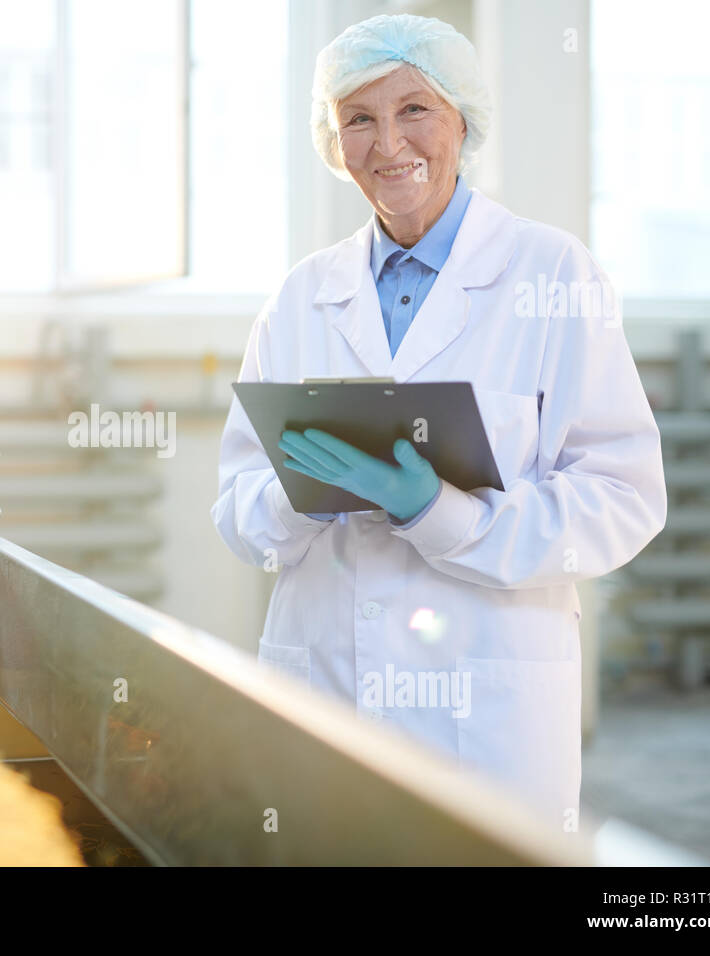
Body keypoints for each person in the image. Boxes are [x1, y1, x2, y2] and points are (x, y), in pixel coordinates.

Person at [210, 13, 666, 832]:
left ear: (463, 117)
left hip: (489, 711)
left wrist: (442, 515)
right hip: (328, 692)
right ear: (332, 137)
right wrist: (299, 495)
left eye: (415, 108)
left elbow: (622, 497)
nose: (389, 144)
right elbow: (236, 507)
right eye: (359, 118)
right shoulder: (301, 296)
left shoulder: (553, 274)